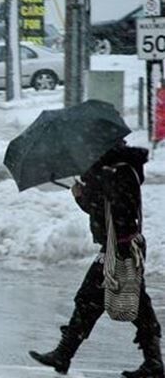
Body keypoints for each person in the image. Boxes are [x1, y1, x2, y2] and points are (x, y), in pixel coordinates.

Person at [29, 141, 162, 378]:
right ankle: (152, 362)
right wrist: (90, 189)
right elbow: (107, 210)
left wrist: (83, 195)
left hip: (121, 247)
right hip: (120, 245)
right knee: (108, 304)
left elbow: (110, 212)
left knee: (93, 301)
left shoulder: (116, 171)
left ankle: (65, 354)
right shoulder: (117, 169)